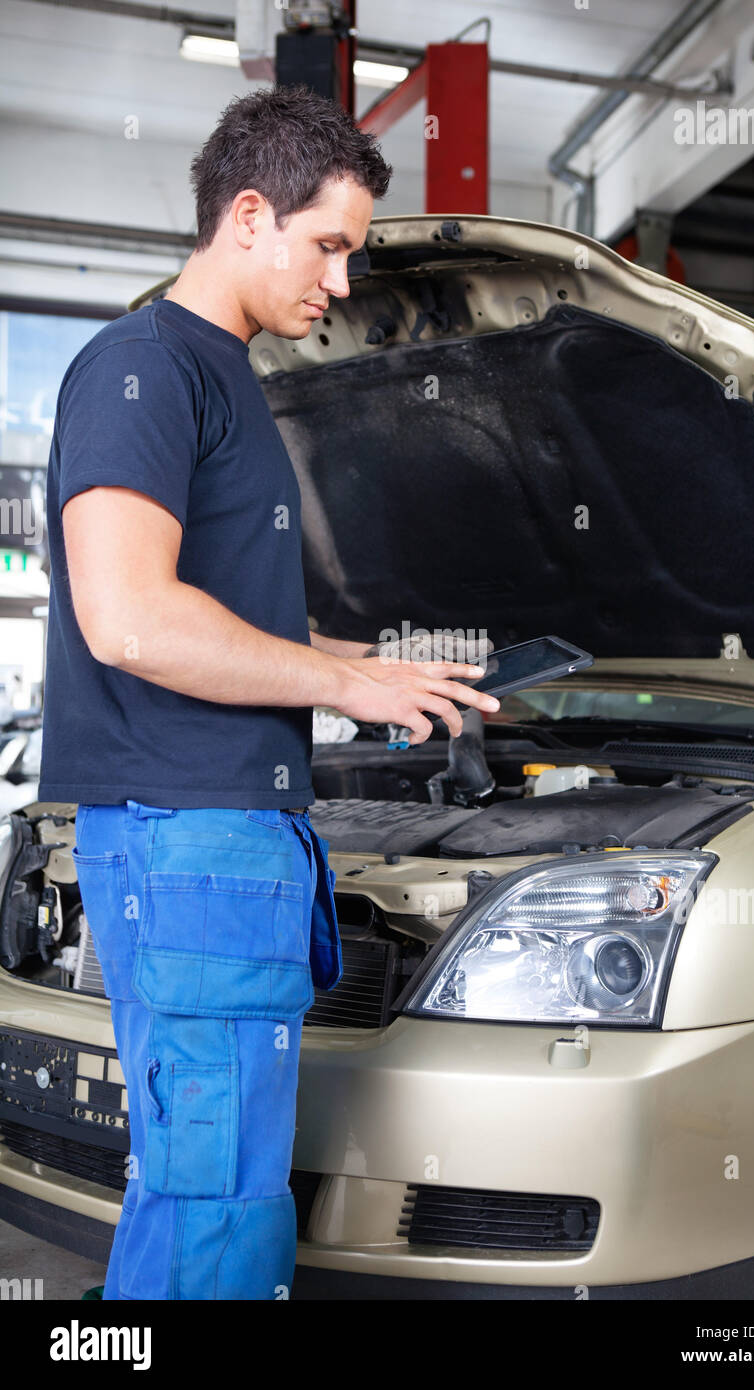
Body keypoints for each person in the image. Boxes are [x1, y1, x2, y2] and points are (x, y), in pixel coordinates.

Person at [37, 83, 499, 1301]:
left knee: (205, 1189)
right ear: (248, 215)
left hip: (232, 839)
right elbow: (131, 618)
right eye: (329, 245)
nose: (342, 282)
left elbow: (225, 613)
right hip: (187, 835)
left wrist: (362, 666)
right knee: (218, 1207)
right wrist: (341, 678)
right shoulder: (140, 369)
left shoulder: (228, 378)